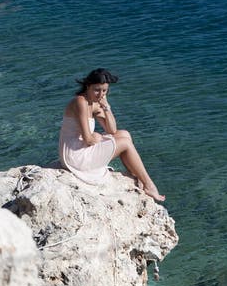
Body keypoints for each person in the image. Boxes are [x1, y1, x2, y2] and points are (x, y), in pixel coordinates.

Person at [58, 68, 165, 201]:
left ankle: (136, 175)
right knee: (125, 143)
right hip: (75, 157)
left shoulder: (94, 104)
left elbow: (112, 130)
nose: (100, 94)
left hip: (81, 148)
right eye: (97, 90)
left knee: (124, 134)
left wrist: (106, 107)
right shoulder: (81, 102)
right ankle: (149, 185)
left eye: (104, 91)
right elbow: (88, 139)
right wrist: (97, 137)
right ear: (88, 86)